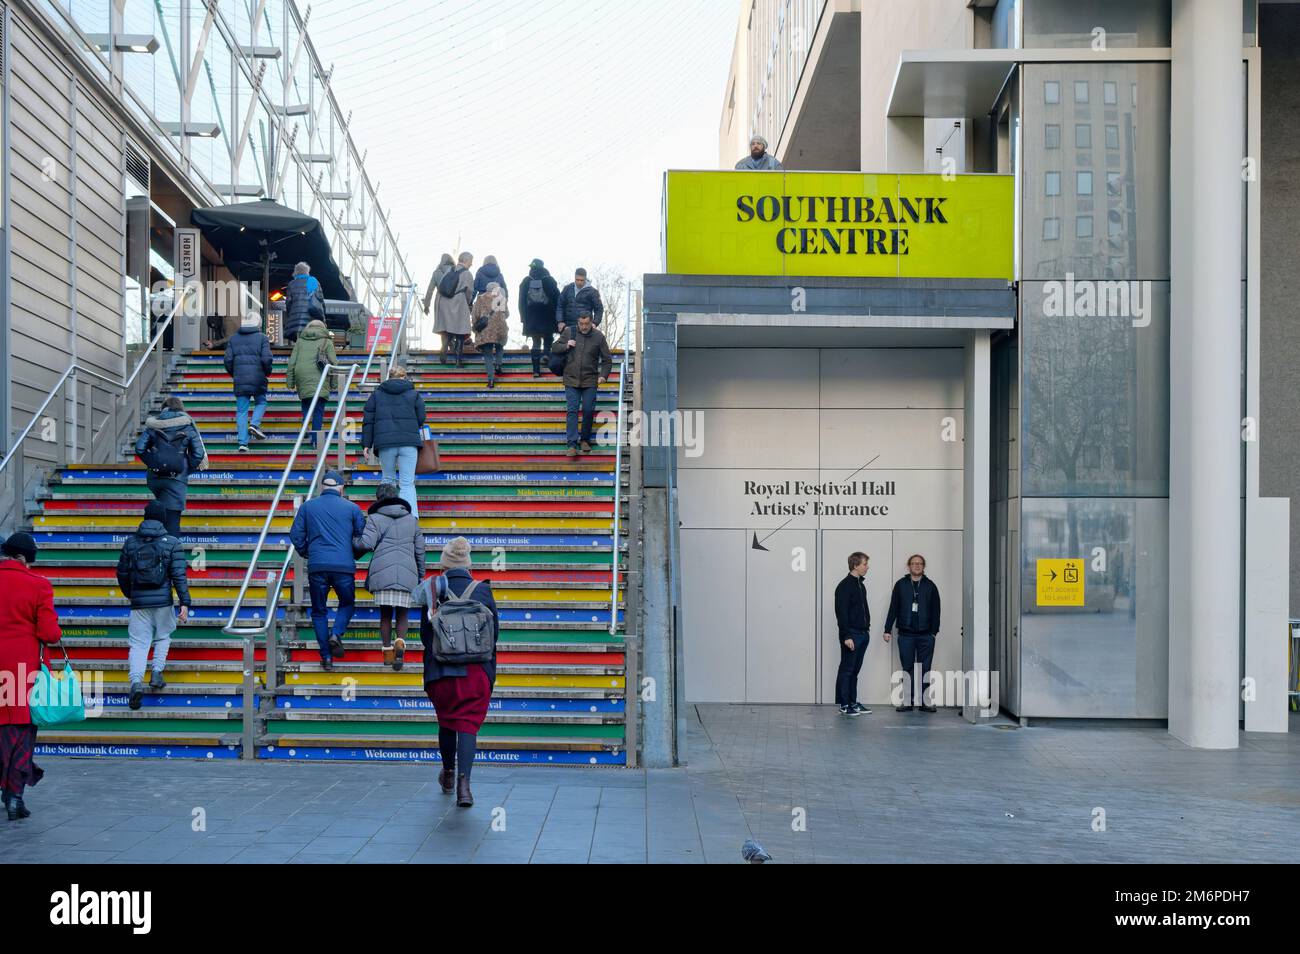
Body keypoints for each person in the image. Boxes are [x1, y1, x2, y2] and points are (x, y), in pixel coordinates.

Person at [416, 537, 498, 808]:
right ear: (468, 564)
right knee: (467, 725)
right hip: (475, 673)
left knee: (447, 720)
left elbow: (424, 635)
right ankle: (465, 786)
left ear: (443, 565)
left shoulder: (433, 589)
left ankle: (448, 774)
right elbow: (494, 634)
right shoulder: (483, 590)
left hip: (442, 673)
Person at [0, 532, 62, 822]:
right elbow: (49, 634)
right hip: (23, 670)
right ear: (24, 557)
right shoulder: (39, 585)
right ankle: (14, 797)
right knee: (22, 731)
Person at [116, 500, 191, 710]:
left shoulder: (131, 542)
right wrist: (184, 602)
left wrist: (131, 595)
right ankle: (157, 672)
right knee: (163, 636)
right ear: (163, 518)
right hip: (163, 601)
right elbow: (179, 575)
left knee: (139, 643)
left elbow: (121, 573)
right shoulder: (172, 542)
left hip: (139, 602)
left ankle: (136, 682)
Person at [289, 470, 365, 671]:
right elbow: (362, 539)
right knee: (347, 603)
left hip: (317, 566)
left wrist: (308, 553)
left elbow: (295, 535)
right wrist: (352, 557)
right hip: (343, 566)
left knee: (319, 611)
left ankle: (326, 657)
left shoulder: (307, 507)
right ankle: (336, 633)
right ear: (341, 488)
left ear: (322, 487)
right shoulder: (352, 508)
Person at [354, 482, 425, 672]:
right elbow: (420, 551)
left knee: (385, 614)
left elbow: (366, 544)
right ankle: (400, 644)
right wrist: (420, 574)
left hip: (382, 572)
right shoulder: (412, 519)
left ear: (378, 499)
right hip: (407, 572)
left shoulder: (375, 518)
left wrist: (353, 540)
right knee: (402, 614)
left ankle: (387, 654)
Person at [361, 358, 426, 519]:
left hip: (385, 444)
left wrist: (366, 444)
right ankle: (411, 518)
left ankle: (386, 516)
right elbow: (421, 418)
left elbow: (368, 421)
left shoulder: (376, 395)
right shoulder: (414, 394)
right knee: (407, 483)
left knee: (388, 479)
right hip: (409, 443)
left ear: (388, 377)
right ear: (404, 377)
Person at [134, 396, 208, 536]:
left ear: (163, 409)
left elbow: (139, 448)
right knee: (173, 521)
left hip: (155, 478)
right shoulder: (187, 426)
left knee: (158, 514)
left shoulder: (154, 425)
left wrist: (153, 463)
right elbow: (198, 454)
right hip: (176, 480)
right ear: (181, 410)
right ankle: (170, 551)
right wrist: (185, 468)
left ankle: (153, 545)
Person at [884, 554, 942, 713]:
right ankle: (908, 702)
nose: (917, 566)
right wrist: (887, 629)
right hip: (906, 634)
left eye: (920, 564)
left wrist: (933, 632)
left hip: (926, 635)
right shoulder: (901, 585)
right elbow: (893, 608)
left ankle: (925, 702)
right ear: (908, 566)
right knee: (907, 668)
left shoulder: (930, 586)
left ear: (924, 567)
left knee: (925, 669)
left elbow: (936, 611)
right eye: (914, 563)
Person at [553, 310, 612, 458]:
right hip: (571, 378)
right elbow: (554, 347)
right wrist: (566, 345)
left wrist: (603, 376)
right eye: (581, 323)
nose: (584, 327)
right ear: (578, 322)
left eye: (586, 324)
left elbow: (607, 360)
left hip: (590, 380)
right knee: (572, 410)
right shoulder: (569, 331)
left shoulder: (599, 337)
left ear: (591, 322)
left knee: (587, 410)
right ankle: (572, 444)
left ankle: (585, 440)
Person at [284, 318, 337, 450]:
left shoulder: (300, 341)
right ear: (323, 328)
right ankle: (315, 441)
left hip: (302, 375)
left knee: (307, 404)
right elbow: (334, 364)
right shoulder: (327, 340)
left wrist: (290, 382)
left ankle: (305, 427)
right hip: (320, 376)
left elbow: (292, 362)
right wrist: (334, 383)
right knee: (318, 410)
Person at [223, 311, 273, 453]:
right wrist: (267, 372)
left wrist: (235, 374)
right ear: (258, 324)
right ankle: (255, 425)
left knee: (242, 411)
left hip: (240, 379)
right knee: (261, 402)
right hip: (258, 378)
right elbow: (266, 359)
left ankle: (243, 443)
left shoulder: (233, 339)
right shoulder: (262, 338)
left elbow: (227, 360)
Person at [833, 552, 873, 716]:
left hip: (863, 634)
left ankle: (852, 702)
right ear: (855, 565)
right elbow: (841, 613)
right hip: (852, 635)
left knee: (855, 670)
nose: (867, 566)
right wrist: (846, 636)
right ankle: (844, 704)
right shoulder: (844, 586)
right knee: (847, 670)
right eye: (865, 564)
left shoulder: (860, 585)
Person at [520, 258, 560, 378]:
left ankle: (536, 370)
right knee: (548, 337)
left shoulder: (526, 281)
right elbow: (557, 297)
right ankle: (546, 354)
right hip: (547, 315)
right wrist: (558, 317)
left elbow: (521, 301)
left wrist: (523, 317)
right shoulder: (549, 280)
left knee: (535, 342)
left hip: (532, 317)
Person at [433, 251, 475, 367]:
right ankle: (458, 360)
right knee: (461, 331)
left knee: (446, 329)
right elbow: (469, 292)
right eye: (471, 261)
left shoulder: (449, 270)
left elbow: (441, 285)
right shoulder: (467, 274)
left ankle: (444, 350)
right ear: (466, 260)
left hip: (444, 302)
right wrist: (467, 304)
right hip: (458, 302)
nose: (471, 264)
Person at [471, 281, 509, 388]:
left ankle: (491, 380)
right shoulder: (501, 298)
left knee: (487, 355)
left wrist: (475, 326)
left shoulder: (480, 298)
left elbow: (475, 315)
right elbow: (506, 313)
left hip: (486, 330)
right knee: (500, 346)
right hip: (500, 328)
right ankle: (498, 364)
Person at [283, 261, 325, 344]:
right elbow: (320, 302)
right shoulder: (313, 281)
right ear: (307, 271)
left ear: (296, 272)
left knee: (299, 343)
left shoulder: (292, 284)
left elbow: (288, 303)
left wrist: (290, 317)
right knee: (311, 343)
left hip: (295, 321)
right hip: (311, 320)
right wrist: (323, 319)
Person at [423, 253, 455, 317]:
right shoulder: (455, 270)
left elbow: (430, 290)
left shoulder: (436, 272)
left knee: (441, 323)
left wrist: (426, 305)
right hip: (454, 300)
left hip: (440, 300)